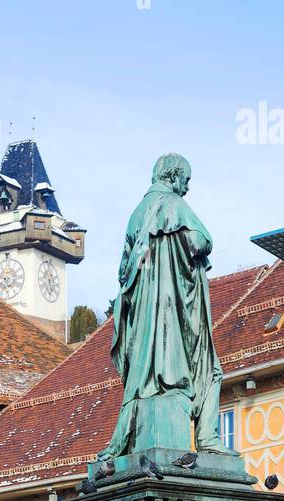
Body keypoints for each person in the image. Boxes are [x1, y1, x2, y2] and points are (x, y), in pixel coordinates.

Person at [97, 152, 226, 464]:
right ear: (174, 175)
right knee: (210, 370)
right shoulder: (172, 204)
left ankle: (205, 439)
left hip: (144, 324)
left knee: (179, 374)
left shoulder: (136, 214)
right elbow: (199, 242)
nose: (188, 188)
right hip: (172, 314)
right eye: (187, 180)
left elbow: (123, 274)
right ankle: (208, 439)